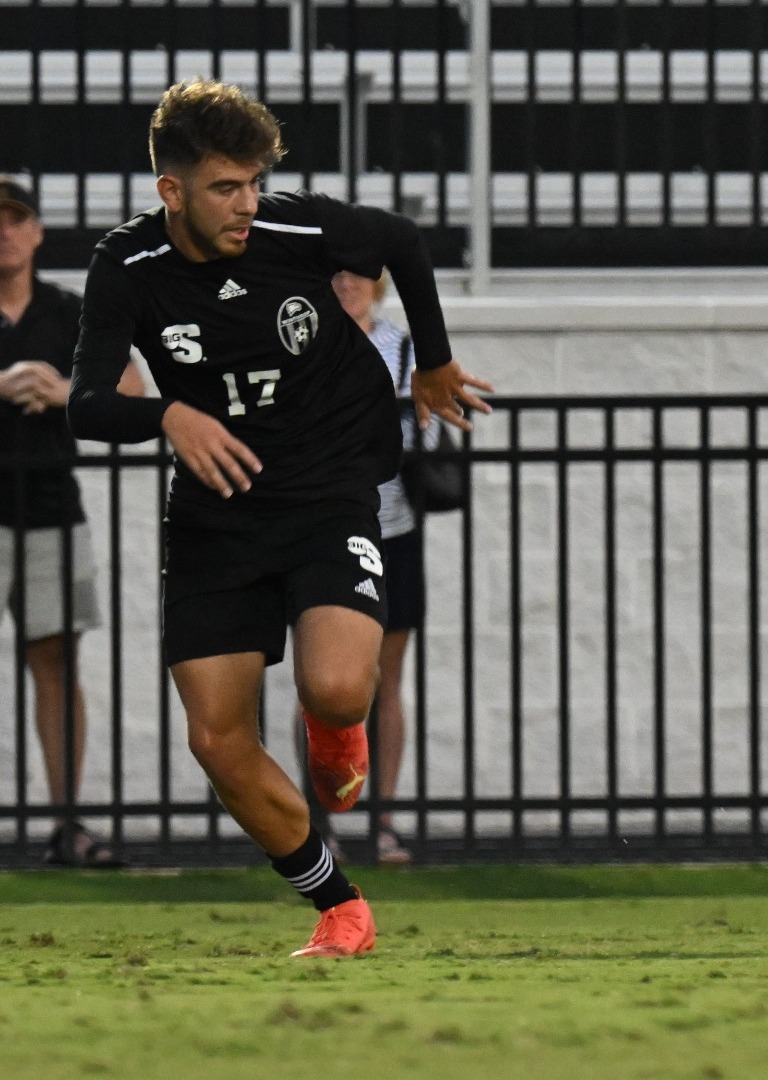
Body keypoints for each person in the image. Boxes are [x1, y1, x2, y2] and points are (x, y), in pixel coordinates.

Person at [66, 80, 491, 955]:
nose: (248, 204)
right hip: (216, 519)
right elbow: (85, 405)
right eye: (227, 187)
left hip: (328, 483)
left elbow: (401, 242)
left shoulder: (295, 227)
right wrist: (168, 418)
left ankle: (336, 727)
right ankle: (341, 906)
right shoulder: (127, 266)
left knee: (336, 686)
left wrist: (434, 363)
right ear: (171, 191)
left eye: (256, 182)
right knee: (218, 740)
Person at [0, 176, 146, 867]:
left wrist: (65, 391)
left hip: (52, 508)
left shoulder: (66, 311)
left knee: (55, 663)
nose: (4, 231)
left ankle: (66, 821)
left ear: (36, 232)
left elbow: (132, 388)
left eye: (15, 219)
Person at [297, 270, 425, 867]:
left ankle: (383, 817)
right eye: (337, 273)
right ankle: (321, 820)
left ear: (379, 284)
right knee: (322, 684)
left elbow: (421, 425)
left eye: (361, 275)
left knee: (386, 680)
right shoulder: (304, 337)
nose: (348, 284)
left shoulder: (403, 347)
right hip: (323, 532)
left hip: (391, 529)